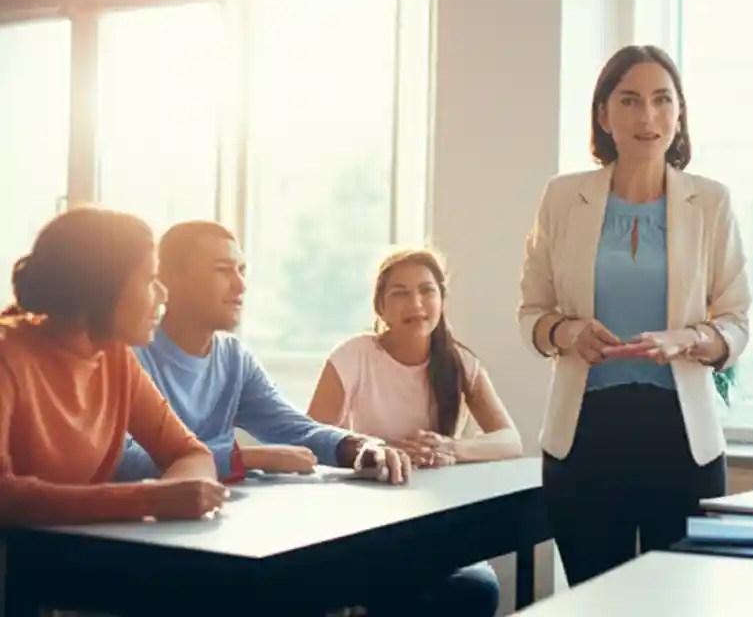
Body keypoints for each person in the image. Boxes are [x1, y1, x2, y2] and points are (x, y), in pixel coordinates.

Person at [517, 45, 750, 585]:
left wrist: (687, 340)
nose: (648, 117)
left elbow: (736, 322)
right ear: (604, 115)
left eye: (662, 101)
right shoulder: (562, 197)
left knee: (681, 601)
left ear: (679, 114)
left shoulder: (711, 202)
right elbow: (532, 312)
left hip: (682, 438)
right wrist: (569, 332)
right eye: (630, 100)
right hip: (586, 438)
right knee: (598, 603)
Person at [114, 221, 412, 486]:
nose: (240, 285)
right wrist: (245, 458)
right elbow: (125, 462)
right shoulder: (129, 354)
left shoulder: (233, 358)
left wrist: (360, 448)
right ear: (169, 280)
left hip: (214, 514)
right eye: (222, 270)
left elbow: (293, 428)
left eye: (241, 270)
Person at [309, 247, 521, 616]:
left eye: (427, 291)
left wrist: (451, 448)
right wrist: (379, 451)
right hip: (366, 524)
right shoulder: (353, 355)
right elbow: (310, 443)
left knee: (477, 590)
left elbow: (510, 440)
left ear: (442, 299)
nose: (416, 303)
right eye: (400, 293)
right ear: (381, 307)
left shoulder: (459, 362)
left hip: (438, 525)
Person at [0, 207, 223, 526]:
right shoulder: (7, 354)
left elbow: (190, 453)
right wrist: (148, 500)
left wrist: (176, 495)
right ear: (102, 286)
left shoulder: (116, 358)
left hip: (66, 553)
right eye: (149, 279)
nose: (162, 295)